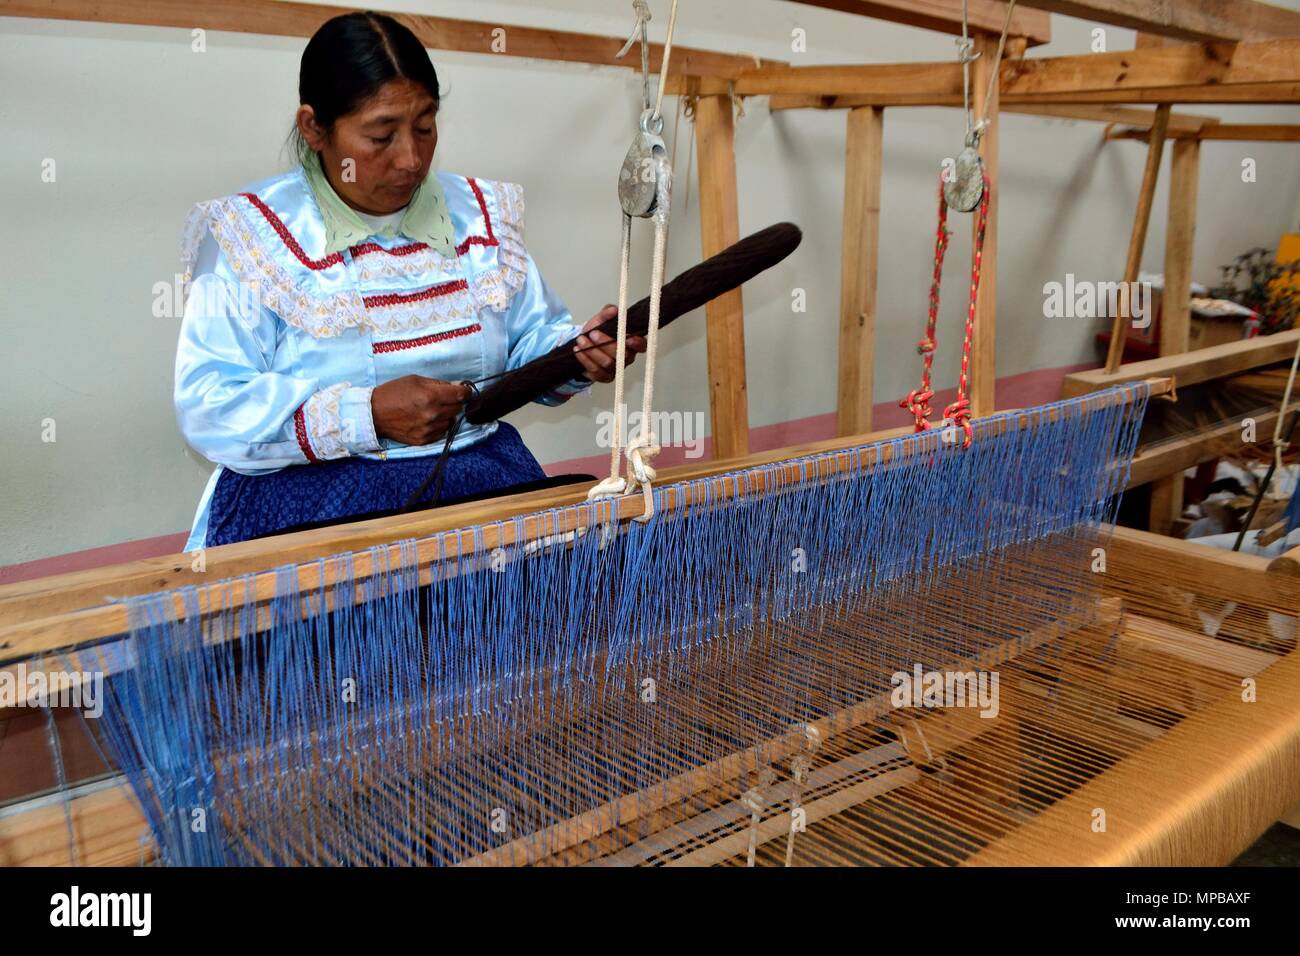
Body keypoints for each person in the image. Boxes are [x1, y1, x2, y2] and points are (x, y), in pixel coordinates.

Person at [175, 11, 644, 549]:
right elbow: (210, 406)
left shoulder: (476, 217)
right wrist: (366, 414)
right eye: (381, 135)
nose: (411, 158)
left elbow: (526, 344)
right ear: (314, 128)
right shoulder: (253, 236)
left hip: (476, 490)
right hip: (314, 514)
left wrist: (575, 354)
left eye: (425, 126)